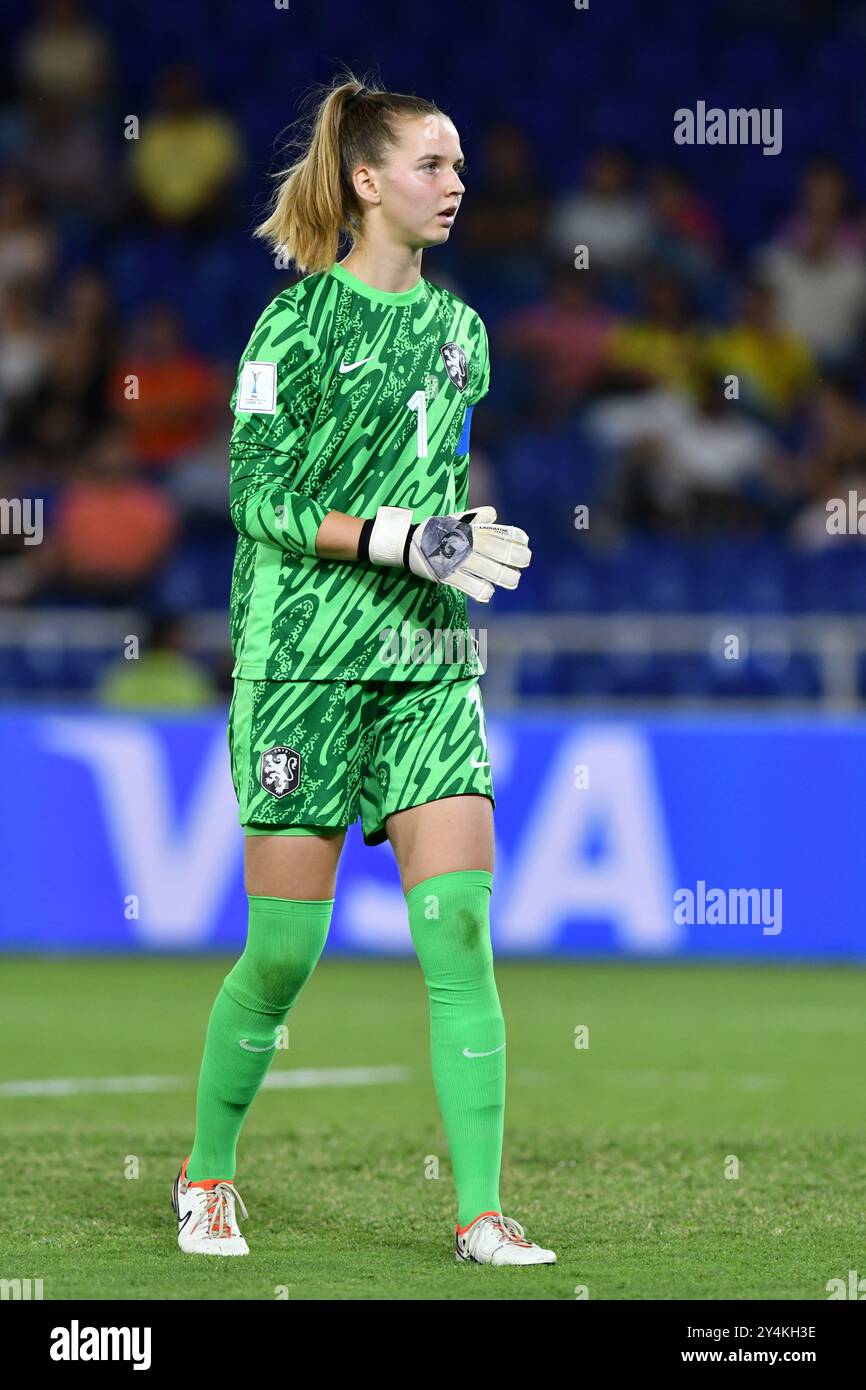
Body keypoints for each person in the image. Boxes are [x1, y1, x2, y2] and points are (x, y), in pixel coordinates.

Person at [171, 72, 553, 1269]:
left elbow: (429, 481)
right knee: (285, 952)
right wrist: (395, 535)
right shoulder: (289, 327)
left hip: (424, 658)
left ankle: (481, 1213)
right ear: (365, 181)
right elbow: (256, 499)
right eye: (432, 166)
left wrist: (444, 538)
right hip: (301, 663)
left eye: (457, 165)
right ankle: (205, 1177)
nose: (456, 183)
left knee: (458, 930)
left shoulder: (461, 335)